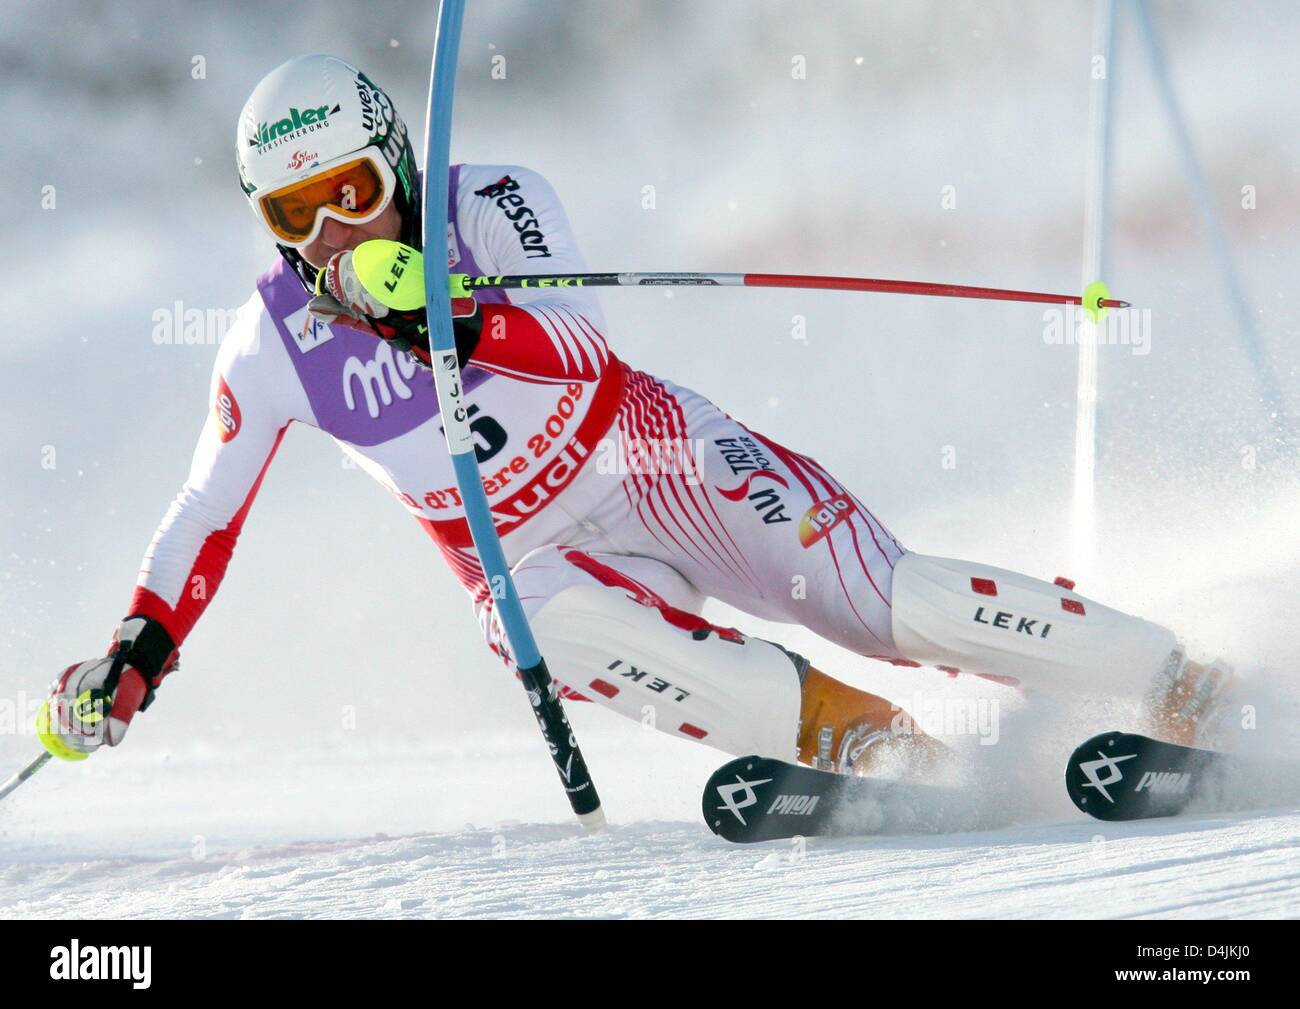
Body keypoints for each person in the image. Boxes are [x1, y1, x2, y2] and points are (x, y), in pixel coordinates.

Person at [39, 54, 1232, 779]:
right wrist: (137, 655)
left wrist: (441, 317)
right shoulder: (270, 344)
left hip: (647, 455)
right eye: (295, 215)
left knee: (891, 602)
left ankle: (1171, 680)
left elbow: (581, 346)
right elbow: (206, 511)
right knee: (524, 629)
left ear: (398, 161)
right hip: (529, 560)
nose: (334, 237)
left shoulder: (494, 200)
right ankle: (868, 748)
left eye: (351, 192)